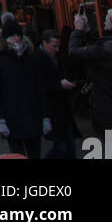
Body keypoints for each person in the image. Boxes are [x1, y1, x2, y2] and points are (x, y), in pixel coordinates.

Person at [0, 14, 45, 158]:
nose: (16, 38)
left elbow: (39, 87)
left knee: (34, 153)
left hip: (32, 115)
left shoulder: (29, 55)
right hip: (12, 116)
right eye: (12, 36)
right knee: (17, 154)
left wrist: (45, 116)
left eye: (18, 35)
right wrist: (0, 119)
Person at [67, 7, 112, 145]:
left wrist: (78, 30)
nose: (103, 23)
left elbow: (74, 52)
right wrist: (88, 31)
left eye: (106, 21)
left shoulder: (102, 51)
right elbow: (106, 44)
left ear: (110, 25)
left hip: (109, 112)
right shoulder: (108, 48)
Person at [34, 29, 79, 159]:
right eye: (54, 46)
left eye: (58, 46)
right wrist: (60, 84)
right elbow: (40, 86)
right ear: (44, 43)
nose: (57, 49)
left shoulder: (52, 57)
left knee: (67, 147)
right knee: (62, 147)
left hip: (61, 109)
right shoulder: (38, 60)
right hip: (52, 109)